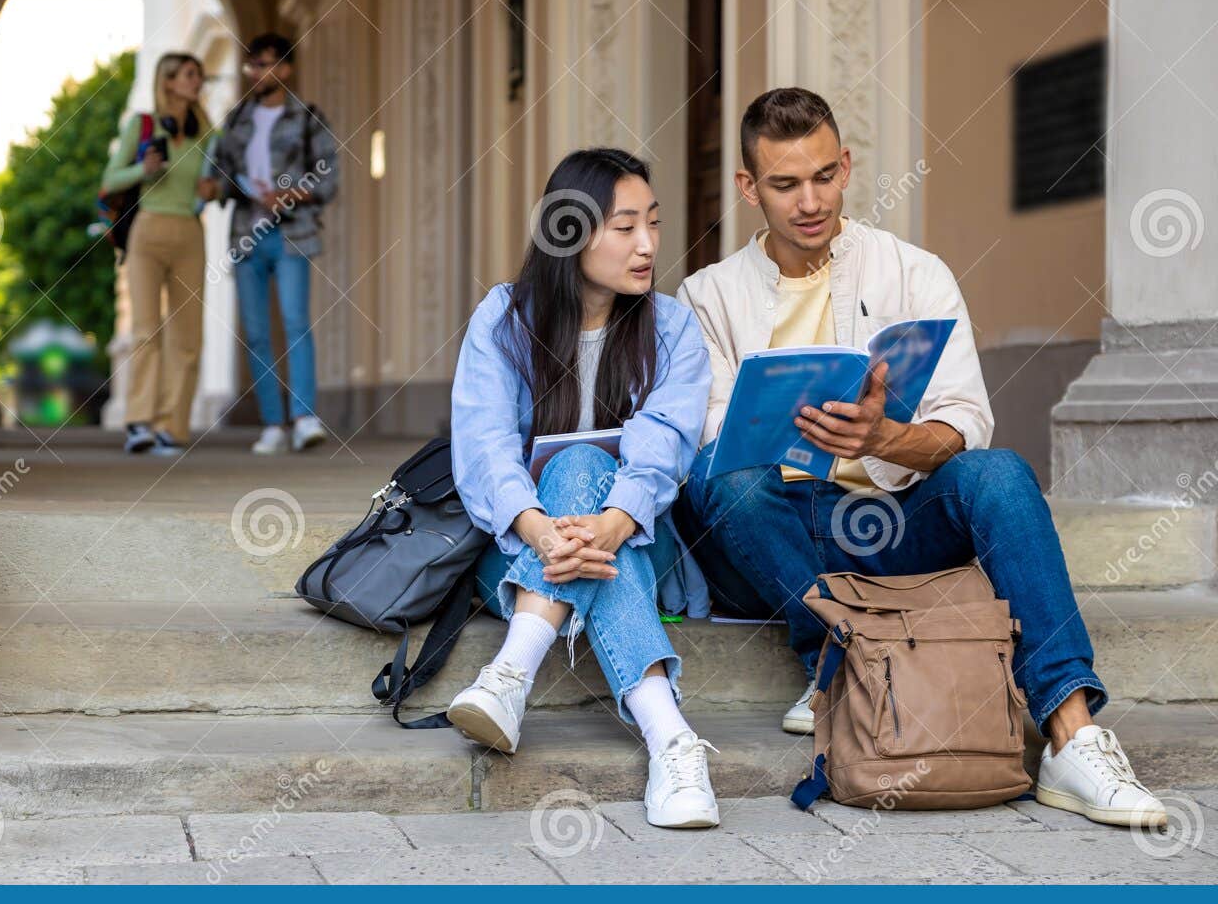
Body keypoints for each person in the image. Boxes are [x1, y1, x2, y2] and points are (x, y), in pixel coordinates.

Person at [674, 87, 1167, 829]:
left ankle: (1073, 736)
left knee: (999, 473)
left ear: (845, 166)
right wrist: (789, 432)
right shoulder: (705, 296)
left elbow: (963, 420)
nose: (809, 201)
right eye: (784, 185)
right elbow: (703, 446)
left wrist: (882, 439)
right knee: (731, 487)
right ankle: (840, 667)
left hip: (893, 519)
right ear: (749, 187)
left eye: (823, 177)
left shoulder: (915, 274)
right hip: (777, 540)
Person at [447, 147, 720, 829]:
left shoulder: (673, 328)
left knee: (586, 472)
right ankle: (673, 741)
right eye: (625, 227)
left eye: (652, 224)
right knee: (571, 473)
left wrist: (615, 521)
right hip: (515, 551)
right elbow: (484, 448)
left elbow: (663, 445)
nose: (648, 244)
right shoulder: (505, 319)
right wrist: (543, 529)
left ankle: (510, 675)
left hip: (638, 548)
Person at [202, 32, 339, 455]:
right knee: (257, 332)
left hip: (292, 233)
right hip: (247, 233)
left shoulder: (307, 118)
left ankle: (303, 418)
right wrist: (223, 187)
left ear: (286, 68)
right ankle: (272, 424)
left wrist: (292, 192)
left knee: (296, 322)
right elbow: (218, 172)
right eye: (254, 65)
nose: (260, 72)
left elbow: (328, 176)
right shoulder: (236, 119)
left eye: (267, 64)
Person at [100, 52, 217, 456]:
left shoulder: (205, 131)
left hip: (189, 231)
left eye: (199, 75)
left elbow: (213, 180)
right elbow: (109, 179)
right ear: (168, 81)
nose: (196, 82)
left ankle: (173, 426)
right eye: (189, 75)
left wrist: (212, 190)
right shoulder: (143, 125)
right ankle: (139, 422)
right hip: (148, 229)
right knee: (145, 329)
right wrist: (142, 170)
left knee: (187, 334)